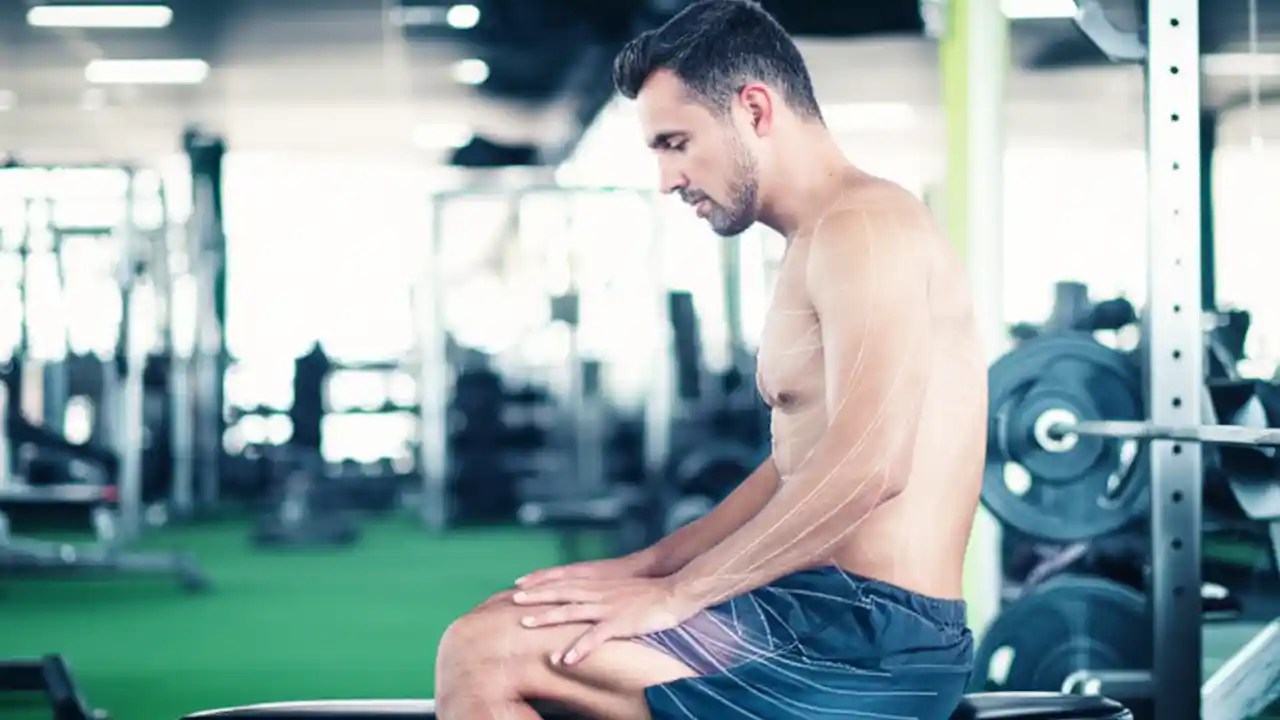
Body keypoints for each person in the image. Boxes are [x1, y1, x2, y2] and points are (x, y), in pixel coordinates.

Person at [433, 1, 989, 718]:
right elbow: (799, 467)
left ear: (754, 109)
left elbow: (868, 467)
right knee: (518, 613)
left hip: (868, 642)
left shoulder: (866, 227)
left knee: (486, 648)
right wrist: (647, 566)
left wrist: (677, 594)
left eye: (676, 142)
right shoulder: (818, 237)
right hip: (818, 613)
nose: (667, 179)